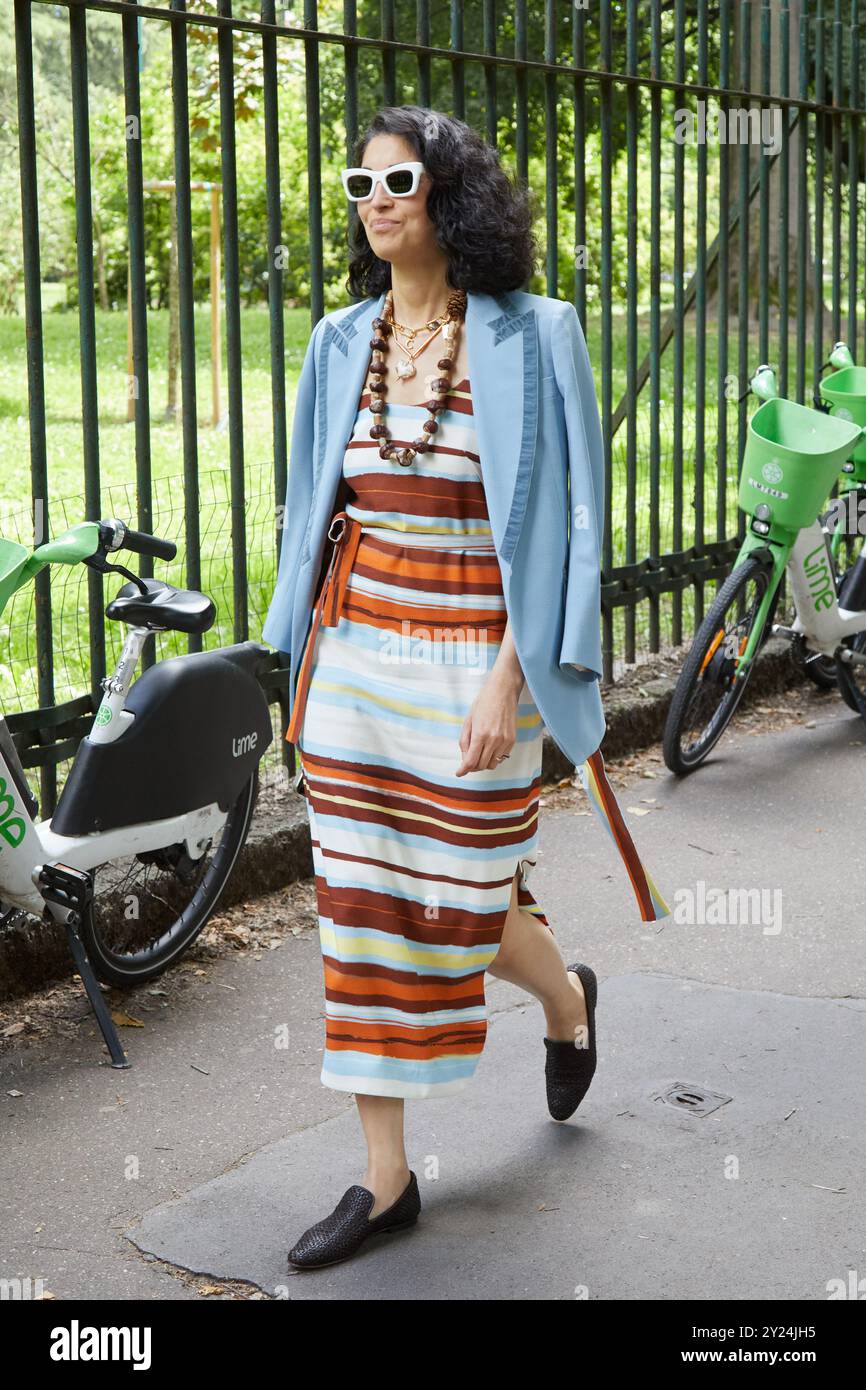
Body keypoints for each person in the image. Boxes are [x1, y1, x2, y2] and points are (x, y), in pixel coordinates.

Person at [262, 105, 669, 1271]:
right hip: (355, 666)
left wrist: (510, 674)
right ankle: (386, 1179)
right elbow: (309, 517)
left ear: (451, 194)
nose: (375, 197)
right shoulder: (340, 342)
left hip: (476, 670)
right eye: (359, 181)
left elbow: (572, 523)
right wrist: (291, 662)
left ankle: (565, 1000)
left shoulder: (537, 335)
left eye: (399, 177)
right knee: (359, 909)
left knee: (457, 904)